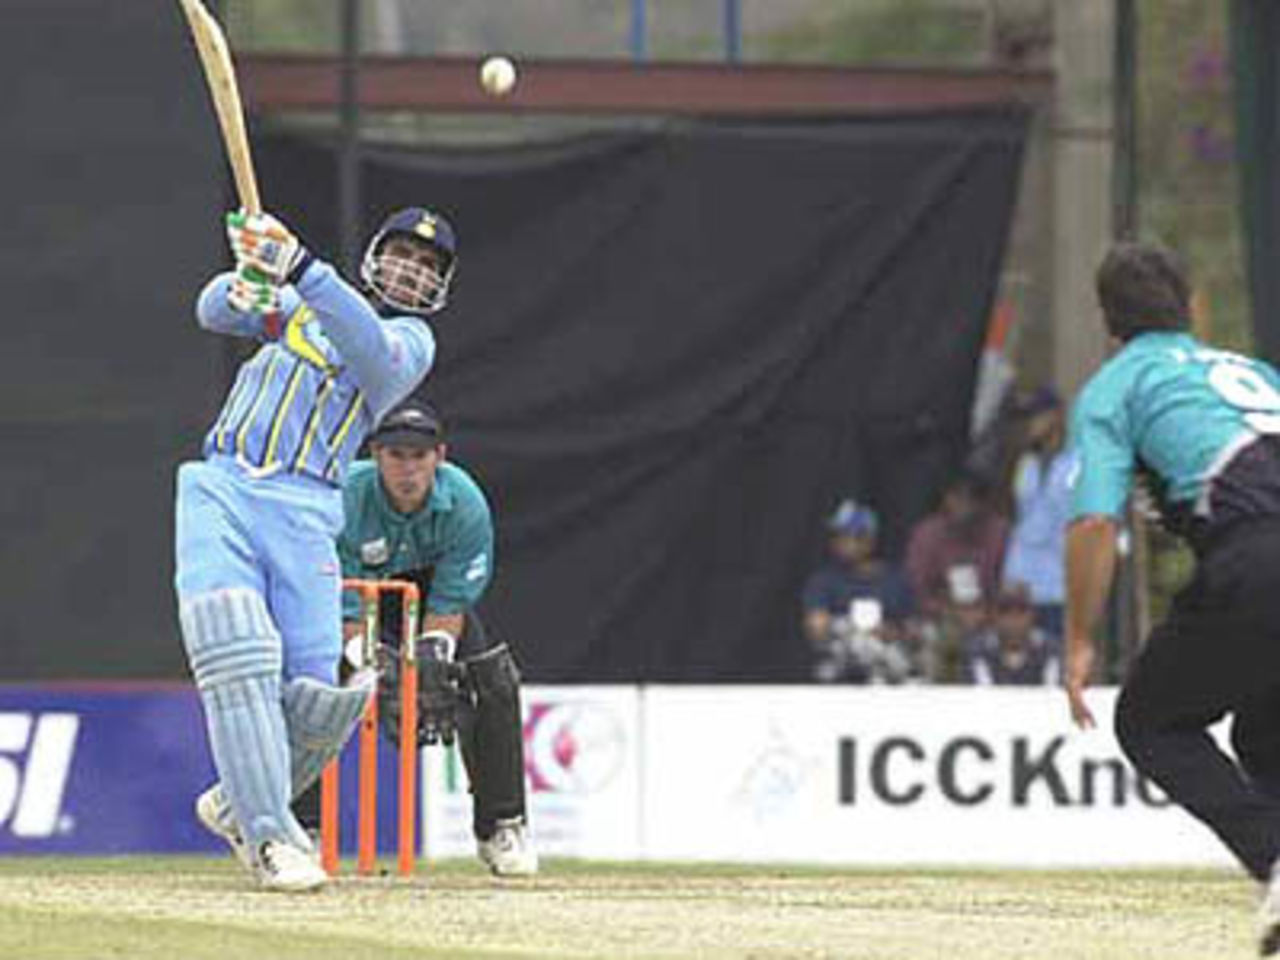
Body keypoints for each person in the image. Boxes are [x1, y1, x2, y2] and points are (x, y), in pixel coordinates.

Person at [179, 206, 457, 891]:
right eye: (400, 255)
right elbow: (212, 311)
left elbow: (371, 356)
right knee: (236, 647)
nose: (409, 270)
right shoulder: (300, 301)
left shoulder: (410, 341)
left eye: (426, 267)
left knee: (321, 700)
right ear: (373, 256)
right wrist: (246, 281)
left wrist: (300, 266)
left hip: (307, 513)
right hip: (225, 487)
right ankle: (272, 835)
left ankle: (236, 803)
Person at [1064, 241, 1280, 955]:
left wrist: (1079, 641)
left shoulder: (1116, 386)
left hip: (1256, 556)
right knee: (1262, 730)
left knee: (1152, 722)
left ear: (1108, 322)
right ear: (1190, 308)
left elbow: (1096, 519)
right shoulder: (1251, 371)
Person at [295, 397, 538, 876]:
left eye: (419, 456)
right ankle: (302, 828)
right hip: (354, 597)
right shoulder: (345, 496)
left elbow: (451, 598)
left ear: (439, 457)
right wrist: (371, 658)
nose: (408, 469)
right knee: (311, 680)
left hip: (427, 597)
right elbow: (333, 594)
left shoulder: (463, 501)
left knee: (491, 678)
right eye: (396, 455)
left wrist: (431, 654)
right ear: (375, 454)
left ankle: (501, 826)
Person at [904, 471, 1009, 681]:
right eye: (955, 497)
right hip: (940, 618)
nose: (961, 505)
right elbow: (917, 588)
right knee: (933, 638)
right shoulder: (927, 534)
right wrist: (951, 612)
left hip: (988, 616)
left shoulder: (999, 532)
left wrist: (986, 612)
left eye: (969, 498)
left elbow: (1007, 582)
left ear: (981, 502)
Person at [801, 500, 917, 684]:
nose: (838, 543)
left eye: (846, 536)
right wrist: (857, 629)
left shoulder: (896, 581)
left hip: (889, 665)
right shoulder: (824, 581)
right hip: (842, 665)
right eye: (836, 536)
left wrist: (891, 633)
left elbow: (912, 630)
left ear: (868, 541)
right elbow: (817, 628)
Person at [1001, 386, 1074, 648]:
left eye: (1036, 415)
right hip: (1022, 582)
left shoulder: (1079, 461)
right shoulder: (1024, 464)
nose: (1030, 423)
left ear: (1057, 415)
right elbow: (1017, 519)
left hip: (1063, 582)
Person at [963, 581, 1059, 686]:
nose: (1013, 618)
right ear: (994, 615)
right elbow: (983, 696)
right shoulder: (979, 650)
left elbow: (1052, 695)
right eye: (1005, 610)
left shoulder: (1050, 649)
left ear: (1033, 614)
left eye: (1022, 610)